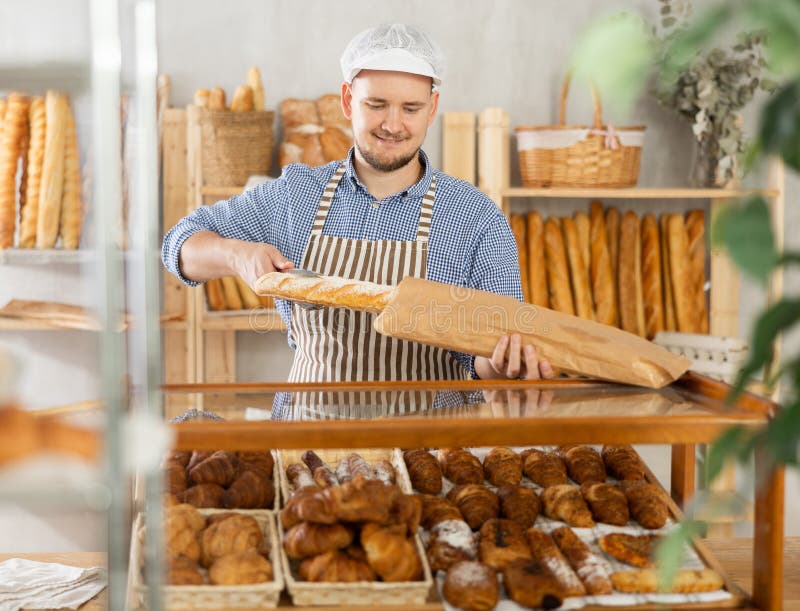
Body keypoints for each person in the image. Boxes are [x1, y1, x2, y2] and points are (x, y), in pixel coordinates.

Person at [162, 23, 553, 418]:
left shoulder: (475, 217)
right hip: (308, 453)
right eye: (376, 104)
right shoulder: (296, 195)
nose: (393, 124)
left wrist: (503, 364)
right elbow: (178, 245)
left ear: (432, 108)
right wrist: (236, 255)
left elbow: (492, 353)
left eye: (411, 108)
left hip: (429, 457)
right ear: (348, 101)